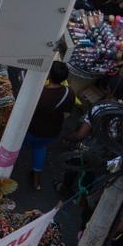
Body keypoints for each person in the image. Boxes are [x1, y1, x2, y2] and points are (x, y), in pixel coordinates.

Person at [22, 62, 73, 191]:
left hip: (31, 129)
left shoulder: (40, 92)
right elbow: (66, 115)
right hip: (51, 132)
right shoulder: (69, 93)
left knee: (19, 146)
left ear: (49, 75)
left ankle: (4, 167)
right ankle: (36, 181)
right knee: (40, 148)